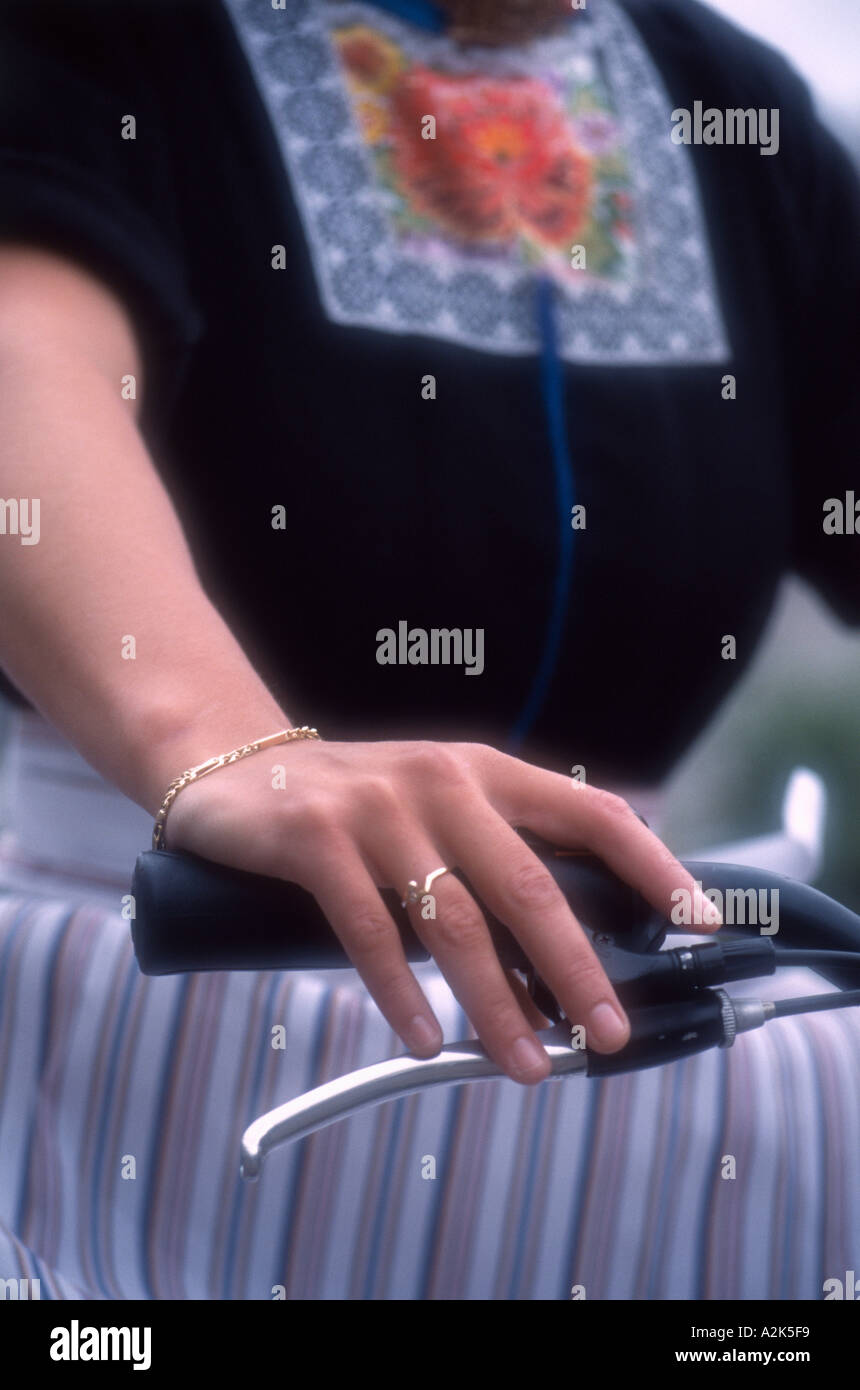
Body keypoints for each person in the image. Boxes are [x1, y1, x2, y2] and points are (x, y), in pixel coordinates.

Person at [0, 0, 857, 1300]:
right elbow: (25, 355)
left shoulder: (724, 105)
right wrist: (223, 747)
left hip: (668, 1082)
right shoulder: (104, 43)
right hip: (142, 1024)